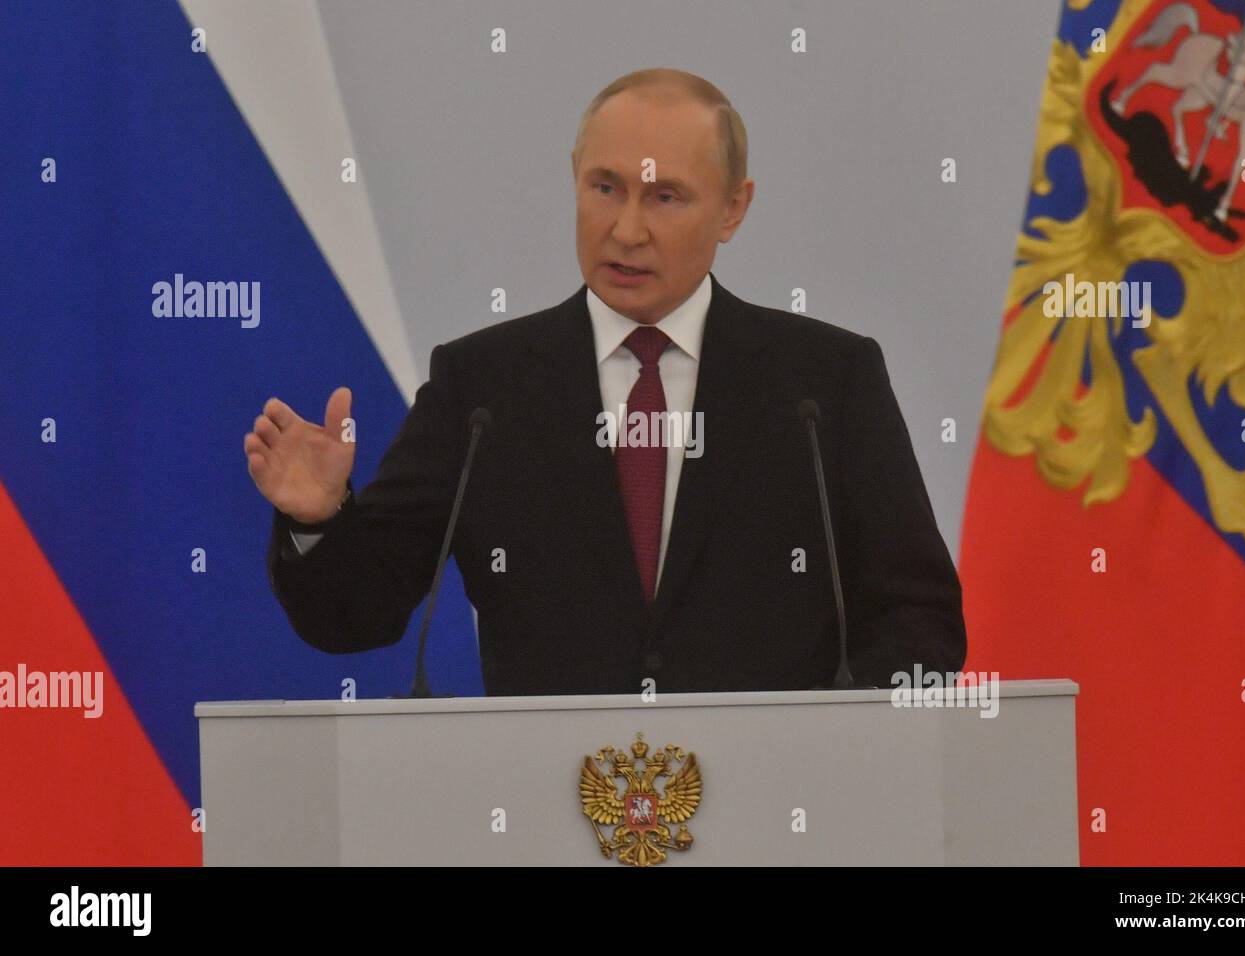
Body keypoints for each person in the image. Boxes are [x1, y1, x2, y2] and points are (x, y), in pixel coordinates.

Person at [244, 68, 965, 695]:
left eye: (665, 198)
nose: (625, 230)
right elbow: (356, 617)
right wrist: (319, 520)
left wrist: (826, 749)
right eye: (605, 188)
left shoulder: (824, 383)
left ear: (734, 209)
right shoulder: (481, 390)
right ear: (574, 178)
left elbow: (920, 625)